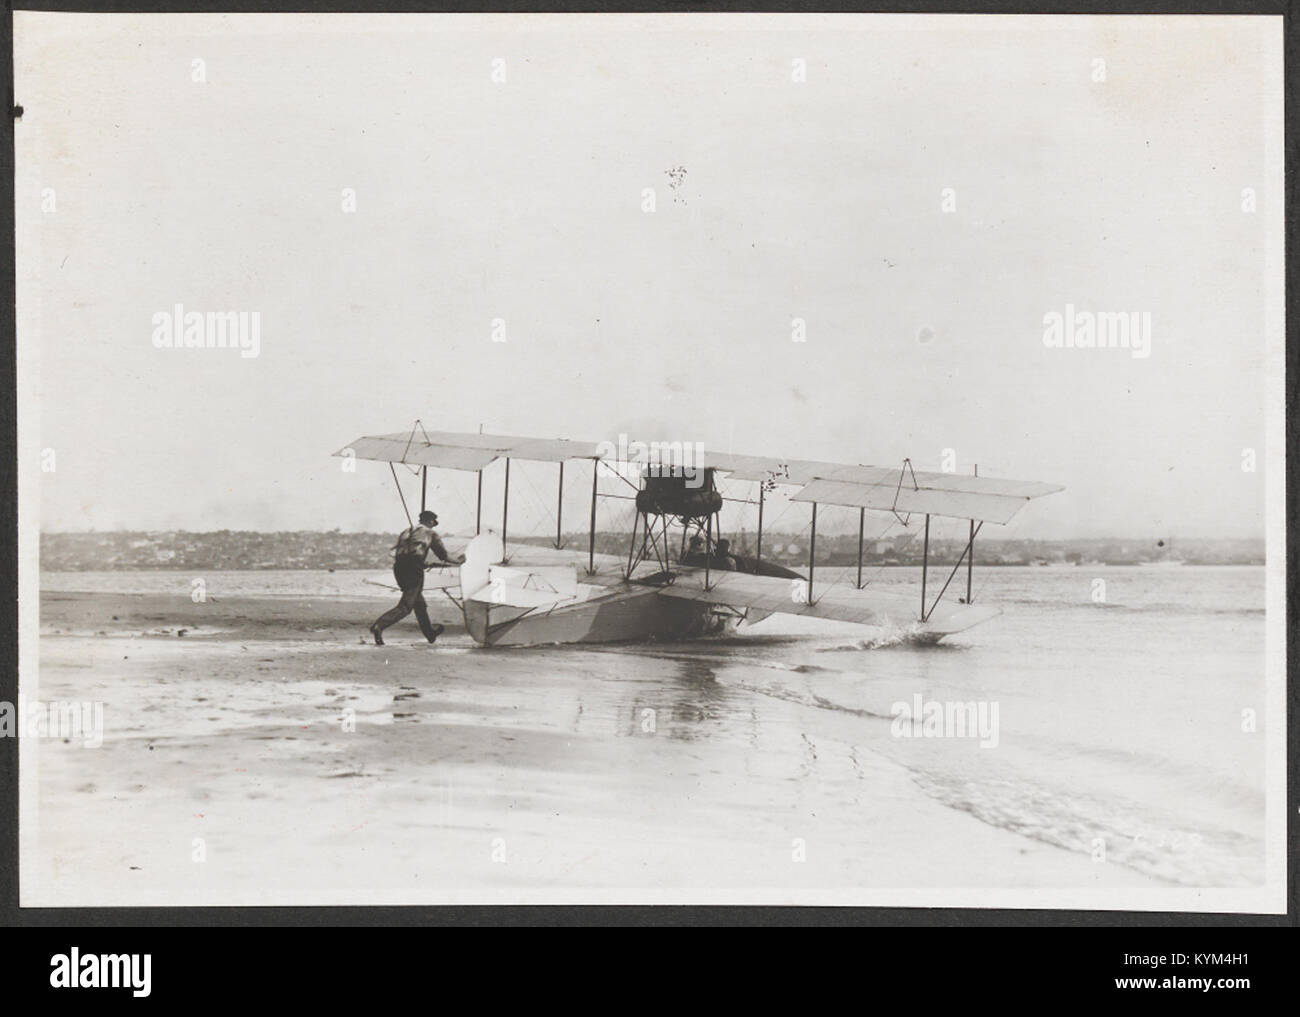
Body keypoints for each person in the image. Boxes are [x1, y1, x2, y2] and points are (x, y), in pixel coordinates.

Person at [369, 510, 462, 645]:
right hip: (413, 570)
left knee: (419, 604)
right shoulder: (430, 533)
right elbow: (443, 556)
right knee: (406, 606)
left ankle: (430, 633)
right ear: (431, 521)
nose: (433, 525)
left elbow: (404, 553)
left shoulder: (406, 532)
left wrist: (422, 563)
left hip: (399, 568)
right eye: (433, 523)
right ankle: (379, 625)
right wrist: (459, 561)